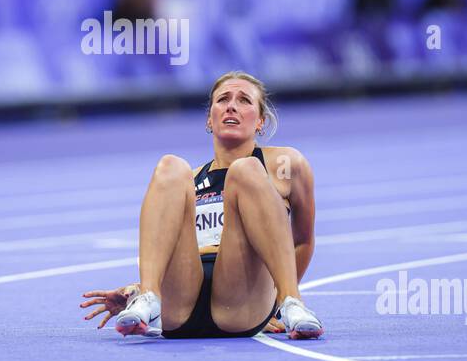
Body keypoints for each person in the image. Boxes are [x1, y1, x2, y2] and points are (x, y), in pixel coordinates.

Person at [81, 71, 324, 340]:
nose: (232, 105)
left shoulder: (284, 165)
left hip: (241, 295)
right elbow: (170, 247)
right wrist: (133, 290)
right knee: (170, 164)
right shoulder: (186, 180)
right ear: (210, 118)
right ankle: (148, 298)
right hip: (181, 304)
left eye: (244, 100)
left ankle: (293, 304)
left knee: (245, 170)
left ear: (261, 123)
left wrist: (274, 304)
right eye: (223, 99)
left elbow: (302, 241)